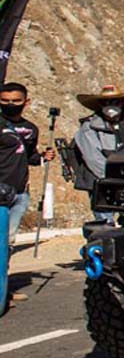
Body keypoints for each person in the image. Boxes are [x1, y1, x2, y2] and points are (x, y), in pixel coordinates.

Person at [0, 82, 54, 306]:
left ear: (26, 102)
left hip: (19, 193)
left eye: (15, 101)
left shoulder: (31, 129)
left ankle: (4, 289)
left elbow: (29, 156)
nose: (10, 105)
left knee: (8, 243)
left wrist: (43, 156)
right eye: (5, 101)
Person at [72, 85, 124, 222]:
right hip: (100, 180)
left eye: (115, 102)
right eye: (106, 103)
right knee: (104, 220)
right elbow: (92, 158)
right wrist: (111, 178)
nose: (111, 106)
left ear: (122, 104)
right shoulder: (89, 128)